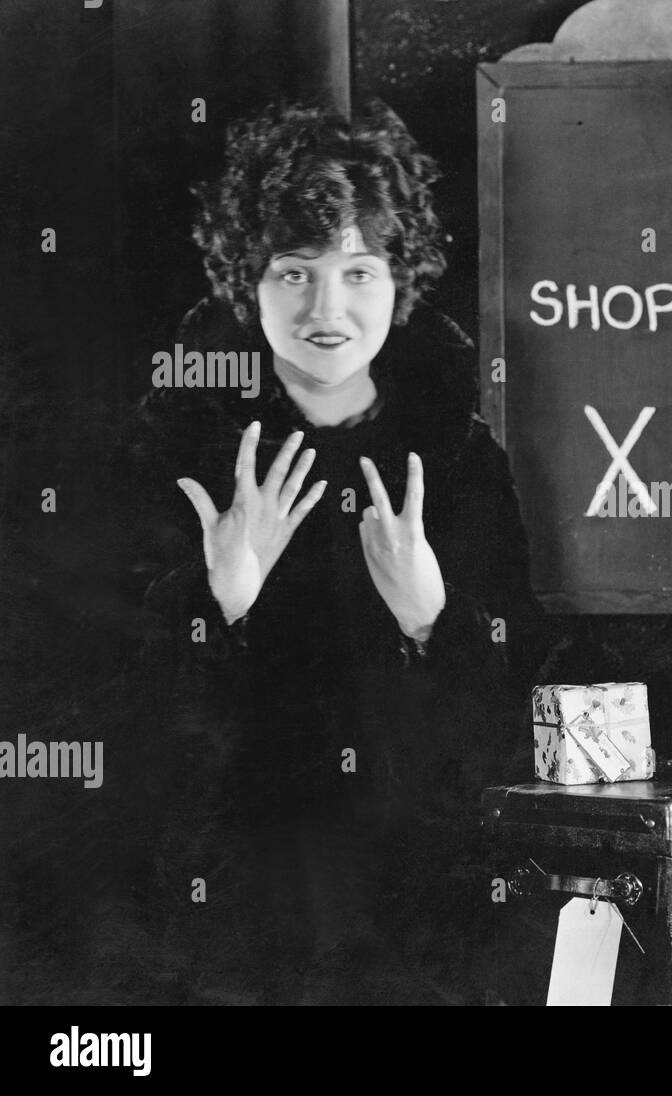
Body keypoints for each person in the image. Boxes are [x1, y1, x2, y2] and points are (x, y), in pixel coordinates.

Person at [114, 100, 539, 1004]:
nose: (327, 308)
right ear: (248, 281)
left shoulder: (461, 461)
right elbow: (117, 730)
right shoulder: (178, 448)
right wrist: (213, 601)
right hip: (232, 924)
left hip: (424, 927)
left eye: (359, 271)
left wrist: (431, 616)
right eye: (294, 272)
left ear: (402, 278)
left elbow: (511, 721)